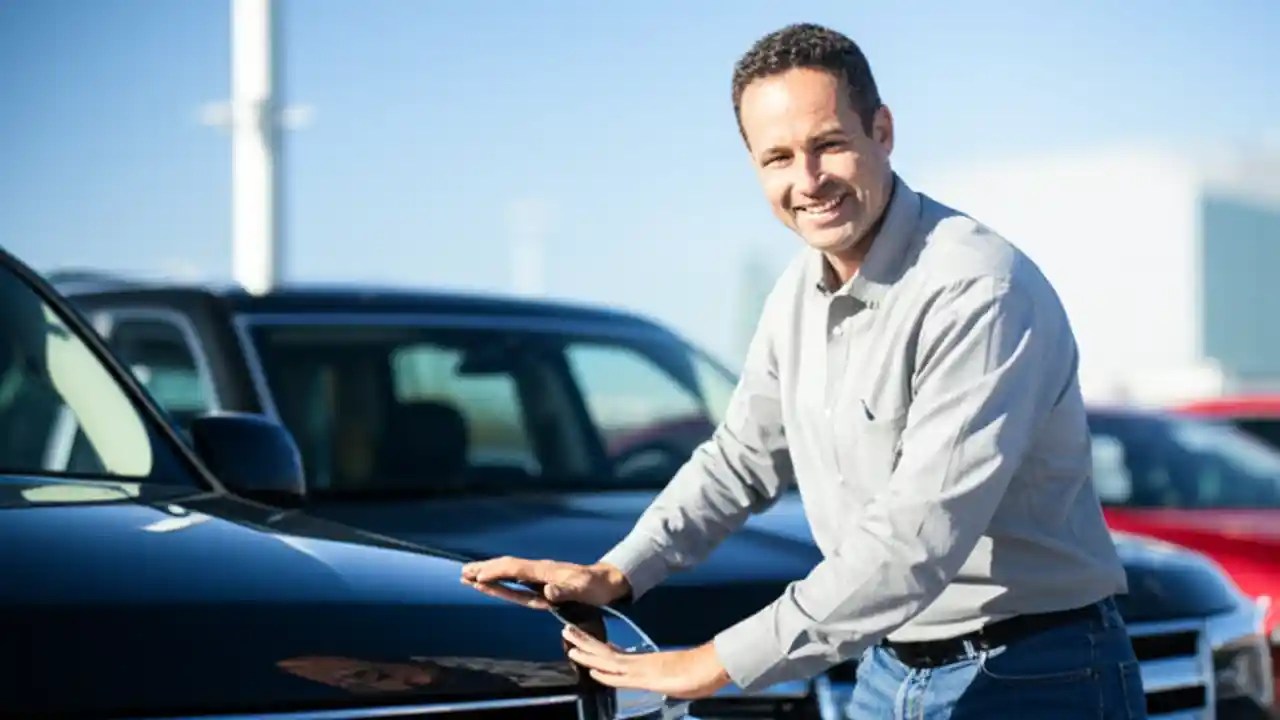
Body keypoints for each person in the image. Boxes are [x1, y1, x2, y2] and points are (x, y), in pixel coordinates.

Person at [462, 22, 1147, 717]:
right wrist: (618, 572)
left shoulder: (978, 288)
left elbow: (916, 540)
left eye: (828, 146)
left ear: (881, 131)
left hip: (1035, 678)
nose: (807, 181)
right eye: (778, 158)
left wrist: (707, 664)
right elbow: (740, 459)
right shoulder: (797, 294)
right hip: (884, 670)